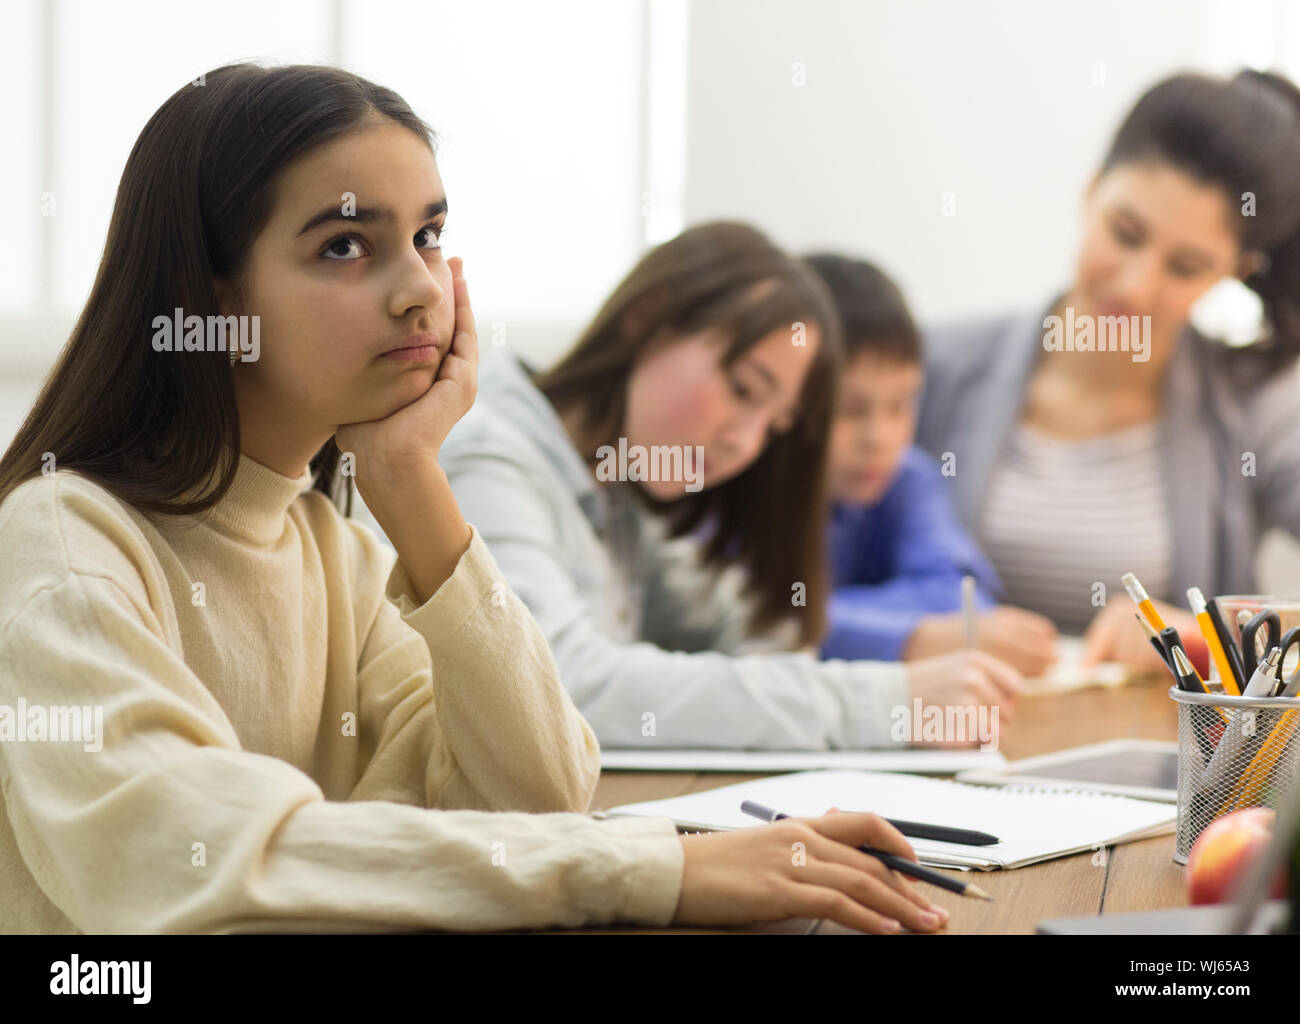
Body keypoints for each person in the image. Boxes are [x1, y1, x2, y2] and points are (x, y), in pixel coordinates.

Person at [0, 62, 948, 936]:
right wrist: (653, 867)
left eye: (427, 236)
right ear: (210, 305)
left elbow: (534, 798)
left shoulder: (340, 548)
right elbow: (178, 866)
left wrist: (410, 479)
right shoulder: (64, 541)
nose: (420, 288)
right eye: (344, 245)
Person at [434, 221, 1023, 752]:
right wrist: (887, 703)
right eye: (744, 390)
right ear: (650, 318)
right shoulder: (489, 452)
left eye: (776, 425)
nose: (746, 443)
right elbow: (558, 686)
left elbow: (747, 629)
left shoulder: (615, 483)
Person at [916, 69, 1300, 673]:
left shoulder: (1255, 405)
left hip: (1156, 759)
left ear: (1234, 269)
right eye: (1125, 233)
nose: (1135, 287)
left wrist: (1201, 635)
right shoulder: (933, 370)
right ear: (1090, 191)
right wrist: (917, 636)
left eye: (1186, 266)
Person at [807, 253, 1059, 675]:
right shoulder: (741, 489)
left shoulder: (906, 477)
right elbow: (744, 621)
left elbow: (961, 595)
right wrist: (913, 637)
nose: (880, 438)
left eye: (901, 404)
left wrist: (830, 619)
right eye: (850, 409)